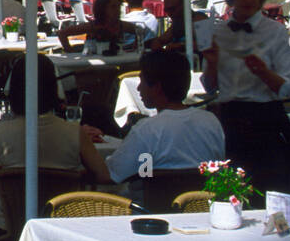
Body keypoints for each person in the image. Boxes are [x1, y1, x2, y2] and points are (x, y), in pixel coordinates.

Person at [201, 0, 290, 195]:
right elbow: (209, 86)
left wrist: (264, 73)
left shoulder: (275, 31)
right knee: (235, 192)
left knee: (273, 189)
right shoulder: (218, 32)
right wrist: (212, 63)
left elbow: (289, 88)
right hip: (230, 119)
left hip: (266, 119)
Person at [86, 50, 226, 187]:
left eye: (142, 82)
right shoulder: (211, 122)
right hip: (202, 206)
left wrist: (81, 140)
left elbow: (108, 175)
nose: (139, 88)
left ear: (157, 87)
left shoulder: (147, 130)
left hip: (151, 208)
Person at [0, 56, 107, 182]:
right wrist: (73, 175)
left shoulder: (3, 132)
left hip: (14, 210)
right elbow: (103, 175)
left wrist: (6, 171)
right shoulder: (75, 132)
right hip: (62, 210)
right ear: (54, 88)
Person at [60, 0, 140, 56]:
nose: (117, 10)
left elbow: (139, 32)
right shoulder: (93, 26)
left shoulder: (121, 25)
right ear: (102, 8)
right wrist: (71, 53)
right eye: (113, 7)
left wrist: (134, 49)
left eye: (119, 6)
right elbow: (62, 33)